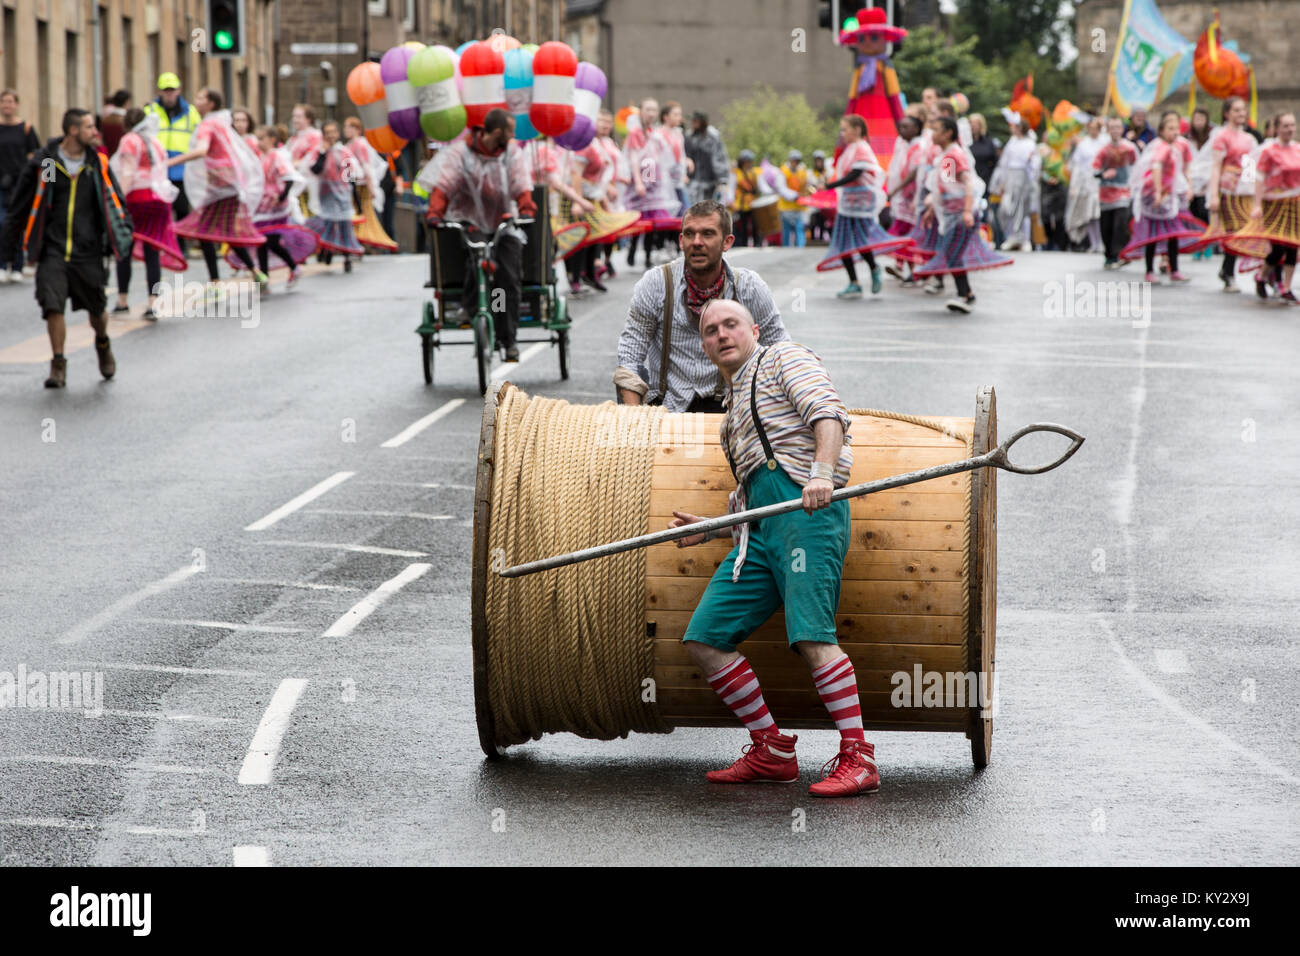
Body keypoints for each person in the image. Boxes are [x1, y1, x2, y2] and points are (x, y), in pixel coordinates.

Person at [666, 299, 876, 797]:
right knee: (706, 638)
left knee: (811, 636)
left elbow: (829, 416)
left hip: (808, 516)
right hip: (760, 533)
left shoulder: (785, 357)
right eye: (711, 330)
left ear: (753, 328)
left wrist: (822, 475)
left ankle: (860, 758)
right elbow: (754, 492)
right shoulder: (728, 415)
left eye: (731, 324)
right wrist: (717, 528)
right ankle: (772, 750)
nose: (721, 334)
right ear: (704, 345)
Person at [0, 108, 134, 388]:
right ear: (73, 131)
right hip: (54, 249)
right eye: (88, 127)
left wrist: (122, 236)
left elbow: (116, 203)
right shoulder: (49, 164)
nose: (95, 133)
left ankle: (102, 343)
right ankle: (58, 363)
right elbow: (27, 202)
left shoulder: (96, 163)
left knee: (97, 310)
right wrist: (8, 245)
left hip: (88, 250)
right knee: (52, 305)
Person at [614, 200, 789, 412]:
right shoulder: (656, 283)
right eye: (689, 234)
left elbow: (782, 354)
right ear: (681, 240)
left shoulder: (749, 287)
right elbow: (630, 361)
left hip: (730, 412)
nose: (696, 242)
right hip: (665, 410)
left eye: (707, 234)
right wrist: (634, 423)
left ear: (727, 242)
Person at [420, 108, 536, 362]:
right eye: (510, 131)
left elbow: (520, 184)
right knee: (478, 260)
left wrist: (526, 209)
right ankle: (472, 308)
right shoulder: (461, 154)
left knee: (507, 275)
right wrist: (434, 213)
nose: (514, 135)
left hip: (504, 222)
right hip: (470, 221)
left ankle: (508, 338)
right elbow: (445, 185)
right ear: (497, 133)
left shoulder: (511, 154)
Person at [165, 87, 266, 293]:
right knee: (224, 231)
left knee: (205, 231)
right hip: (229, 186)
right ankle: (255, 272)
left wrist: (170, 162)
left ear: (210, 104)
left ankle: (216, 282)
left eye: (200, 97)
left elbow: (202, 150)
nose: (196, 100)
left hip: (220, 188)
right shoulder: (221, 123)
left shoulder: (209, 125)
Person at [913, 116, 1010, 313]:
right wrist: (933, 208)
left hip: (960, 215)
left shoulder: (955, 154)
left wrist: (967, 211)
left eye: (937, 129)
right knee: (951, 254)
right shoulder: (946, 156)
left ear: (948, 132)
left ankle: (965, 295)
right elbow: (948, 185)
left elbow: (967, 182)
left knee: (952, 253)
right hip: (950, 214)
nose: (933, 134)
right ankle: (966, 294)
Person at [817, 114, 907, 298]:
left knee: (860, 240)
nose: (842, 133)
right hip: (847, 204)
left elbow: (856, 174)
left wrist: (830, 185)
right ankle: (854, 282)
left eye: (845, 129)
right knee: (842, 242)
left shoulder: (862, 149)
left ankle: (874, 268)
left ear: (857, 130)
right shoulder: (849, 149)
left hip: (860, 205)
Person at [109, 107, 186, 319]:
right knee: (153, 251)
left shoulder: (129, 140)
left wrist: (119, 201)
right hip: (159, 199)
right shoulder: (156, 141)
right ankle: (153, 303)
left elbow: (127, 172)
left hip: (137, 198)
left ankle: (122, 300)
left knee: (124, 248)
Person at [227, 124, 317, 291]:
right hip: (262, 206)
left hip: (275, 207)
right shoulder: (261, 156)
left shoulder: (277, 156)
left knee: (272, 241)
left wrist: (282, 197)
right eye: (258, 139)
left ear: (272, 139)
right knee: (262, 241)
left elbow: (289, 177)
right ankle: (265, 277)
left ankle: (293, 266)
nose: (259, 142)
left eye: (262, 139)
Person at [1119, 111, 1199, 284]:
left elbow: (1184, 169)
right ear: (1161, 130)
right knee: (1152, 234)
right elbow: (1155, 168)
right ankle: (1149, 270)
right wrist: (1156, 192)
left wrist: (1188, 187)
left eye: (1176, 128)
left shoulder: (1178, 147)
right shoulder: (1159, 147)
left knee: (1172, 234)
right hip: (1156, 197)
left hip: (1170, 196)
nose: (1174, 132)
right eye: (1170, 129)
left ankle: (1174, 268)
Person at [1229, 111, 1300, 303]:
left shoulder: (1297, 149)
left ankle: (1286, 287)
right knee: (1277, 248)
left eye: (1292, 125)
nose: (1290, 129)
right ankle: (1262, 276)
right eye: (1285, 126)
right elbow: (1259, 179)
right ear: (1277, 128)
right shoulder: (1269, 151)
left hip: (1294, 204)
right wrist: (1257, 205)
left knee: (1293, 247)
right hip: (1274, 204)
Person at [1188, 97, 1255, 292]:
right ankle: (1228, 272)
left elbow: (1250, 166)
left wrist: (1251, 190)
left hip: (1243, 190)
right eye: (1236, 110)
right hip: (1227, 191)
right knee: (1232, 231)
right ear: (1227, 113)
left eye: (1242, 110)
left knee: (1244, 231)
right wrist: (1214, 195)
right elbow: (1216, 167)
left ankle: (1229, 270)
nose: (1240, 114)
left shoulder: (1249, 138)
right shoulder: (1222, 136)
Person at [143, 73, 202, 253]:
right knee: (161, 209)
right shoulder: (150, 110)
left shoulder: (190, 111)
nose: (169, 94)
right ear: (160, 91)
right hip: (158, 167)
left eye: (172, 90)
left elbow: (198, 136)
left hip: (182, 168)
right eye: (166, 91)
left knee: (182, 208)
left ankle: (181, 246)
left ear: (179, 90)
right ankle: (163, 243)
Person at [624, 98, 682, 268]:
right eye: (648, 109)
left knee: (653, 219)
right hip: (639, 179)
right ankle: (633, 248)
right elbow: (633, 157)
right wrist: (639, 182)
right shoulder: (635, 133)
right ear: (641, 112)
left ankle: (648, 254)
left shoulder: (653, 133)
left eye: (654, 110)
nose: (651, 113)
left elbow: (660, 158)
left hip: (652, 179)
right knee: (639, 218)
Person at [304, 120, 365, 273]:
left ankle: (347, 256)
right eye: (328, 132)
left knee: (345, 225)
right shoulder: (319, 152)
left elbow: (350, 177)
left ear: (337, 134)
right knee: (328, 224)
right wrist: (324, 153)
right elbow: (315, 170)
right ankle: (328, 250)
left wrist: (357, 203)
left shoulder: (343, 152)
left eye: (333, 132)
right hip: (325, 195)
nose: (331, 135)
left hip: (342, 194)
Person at [0, 88, 42, 283]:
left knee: (18, 222)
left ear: (16, 105)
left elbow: (38, 156)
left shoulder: (26, 128)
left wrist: (43, 182)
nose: (6, 105)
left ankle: (16, 264)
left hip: (20, 184)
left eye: (10, 102)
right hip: (1, 183)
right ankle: (2, 264)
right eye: (3, 102)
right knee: (1, 223)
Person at [343, 117, 398, 254]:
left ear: (357, 129)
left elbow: (366, 166)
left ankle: (373, 245)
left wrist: (371, 187)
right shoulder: (348, 145)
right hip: (352, 185)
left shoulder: (360, 144)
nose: (346, 130)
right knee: (358, 216)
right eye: (346, 127)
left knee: (367, 215)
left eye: (349, 127)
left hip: (362, 186)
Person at [1093, 117, 1139, 269]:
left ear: (1122, 129)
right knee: (1107, 225)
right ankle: (1109, 256)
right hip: (1106, 193)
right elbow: (1094, 168)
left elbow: (1137, 167)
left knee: (1121, 223)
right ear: (1108, 129)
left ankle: (1118, 253)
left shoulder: (1130, 148)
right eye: (1112, 127)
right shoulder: (1103, 149)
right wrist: (1103, 174)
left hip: (1123, 191)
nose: (1115, 130)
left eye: (1118, 127)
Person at [885, 114, 925, 283]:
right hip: (905, 199)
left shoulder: (919, 146)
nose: (901, 130)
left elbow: (914, 172)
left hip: (913, 199)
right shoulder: (905, 146)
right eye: (900, 127)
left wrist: (896, 190)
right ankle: (903, 266)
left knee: (909, 235)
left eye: (905, 127)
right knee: (903, 234)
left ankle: (914, 270)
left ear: (916, 129)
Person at [991, 112, 1040, 251]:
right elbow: (1004, 163)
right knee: (1007, 208)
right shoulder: (1012, 142)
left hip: (1023, 177)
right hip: (1011, 177)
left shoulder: (1030, 143)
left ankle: (1024, 239)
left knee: (1022, 208)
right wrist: (1001, 182)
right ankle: (1012, 235)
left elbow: (1034, 163)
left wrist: (1031, 167)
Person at [1066, 117, 1105, 252]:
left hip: (1100, 183)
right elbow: (1077, 166)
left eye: (1096, 129)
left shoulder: (1104, 142)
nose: (1093, 131)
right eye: (1091, 129)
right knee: (1088, 215)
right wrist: (1074, 186)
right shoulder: (1083, 145)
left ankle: (1101, 242)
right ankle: (1093, 242)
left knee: (1098, 214)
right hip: (1086, 182)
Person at [685, 111, 729, 206]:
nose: (693, 123)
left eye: (695, 120)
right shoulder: (689, 137)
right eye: (692, 120)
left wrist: (723, 181)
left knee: (709, 209)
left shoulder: (712, 137)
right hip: (693, 183)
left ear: (702, 122)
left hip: (710, 183)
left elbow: (720, 158)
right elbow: (686, 156)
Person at [729, 149, 760, 247]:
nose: (750, 163)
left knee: (756, 224)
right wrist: (731, 201)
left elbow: (762, 186)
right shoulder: (735, 173)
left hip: (753, 203)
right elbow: (731, 187)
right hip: (740, 203)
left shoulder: (755, 172)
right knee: (742, 226)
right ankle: (742, 244)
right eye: (748, 161)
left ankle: (757, 243)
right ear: (743, 162)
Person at [778, 150, 810, 247]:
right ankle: (786, 249)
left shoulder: (803, 171)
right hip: (786, 207)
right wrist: (795, 195)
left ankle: (801, 248)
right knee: (786, 231)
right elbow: (781, 188)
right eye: (793, 160)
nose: (795, 163)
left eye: (797, 161)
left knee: (800, 228)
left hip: (799, 206)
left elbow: (806, 185)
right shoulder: (783, 171)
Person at [98, 89, 131, 156]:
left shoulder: (105, 120)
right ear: (127, 102)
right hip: (123, 158)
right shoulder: (127, 121)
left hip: (108, 156)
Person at [807, 149, 830, 241]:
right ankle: (813, 239)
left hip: (825, 202)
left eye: (820, 160)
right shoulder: (810, 173)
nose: (819, 163)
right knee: (813, 222)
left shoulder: (827, 173)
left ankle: (822, 239)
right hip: (814, 202)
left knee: (823, 222)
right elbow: (809, 186)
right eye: (817, 161)